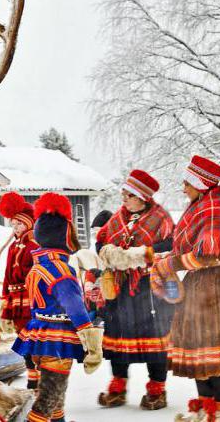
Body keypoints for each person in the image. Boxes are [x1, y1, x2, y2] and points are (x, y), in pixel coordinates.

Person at [151, 156, 220, 422]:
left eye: (187, 183)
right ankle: (204, 408)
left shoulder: (215, 210)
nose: (183, 188)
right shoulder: (199, 207)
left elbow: (208, 255)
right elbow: (191, 252)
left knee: (217, 355)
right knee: (199, 353)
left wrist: (169, 264)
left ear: (201, 184)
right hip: (201, 287)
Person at [13, 192, 103, 422]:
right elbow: (74, 305)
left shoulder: (38, 267)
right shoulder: (62, 271)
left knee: (54, 393)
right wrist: (91, 341)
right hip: (58, 341)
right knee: (49, 397)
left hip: (39, 336)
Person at [95, 169, 175, 410]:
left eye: (129, 195)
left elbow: (172, 243)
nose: (124, 200)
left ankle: (157, 390)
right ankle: (117, 388)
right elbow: (101, 240)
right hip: (121, 289)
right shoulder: (117, 218)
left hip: (149, 289)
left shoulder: (161, 218)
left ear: (143, 197)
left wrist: (140, 255)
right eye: (123, 195)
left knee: (154, 341)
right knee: (118, 338)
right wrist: (110, 253)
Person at [0, 191, 39, 388]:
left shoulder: (34, 246)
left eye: (20, 224)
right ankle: (32, 374)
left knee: (31, 337)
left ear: (29, 224)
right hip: (15, 299)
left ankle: (36, 378)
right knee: (22, 337)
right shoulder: (13, 247)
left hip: (29, 299)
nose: (16, 228)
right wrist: (5, 298)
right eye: (13, 224)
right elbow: (6, 275)